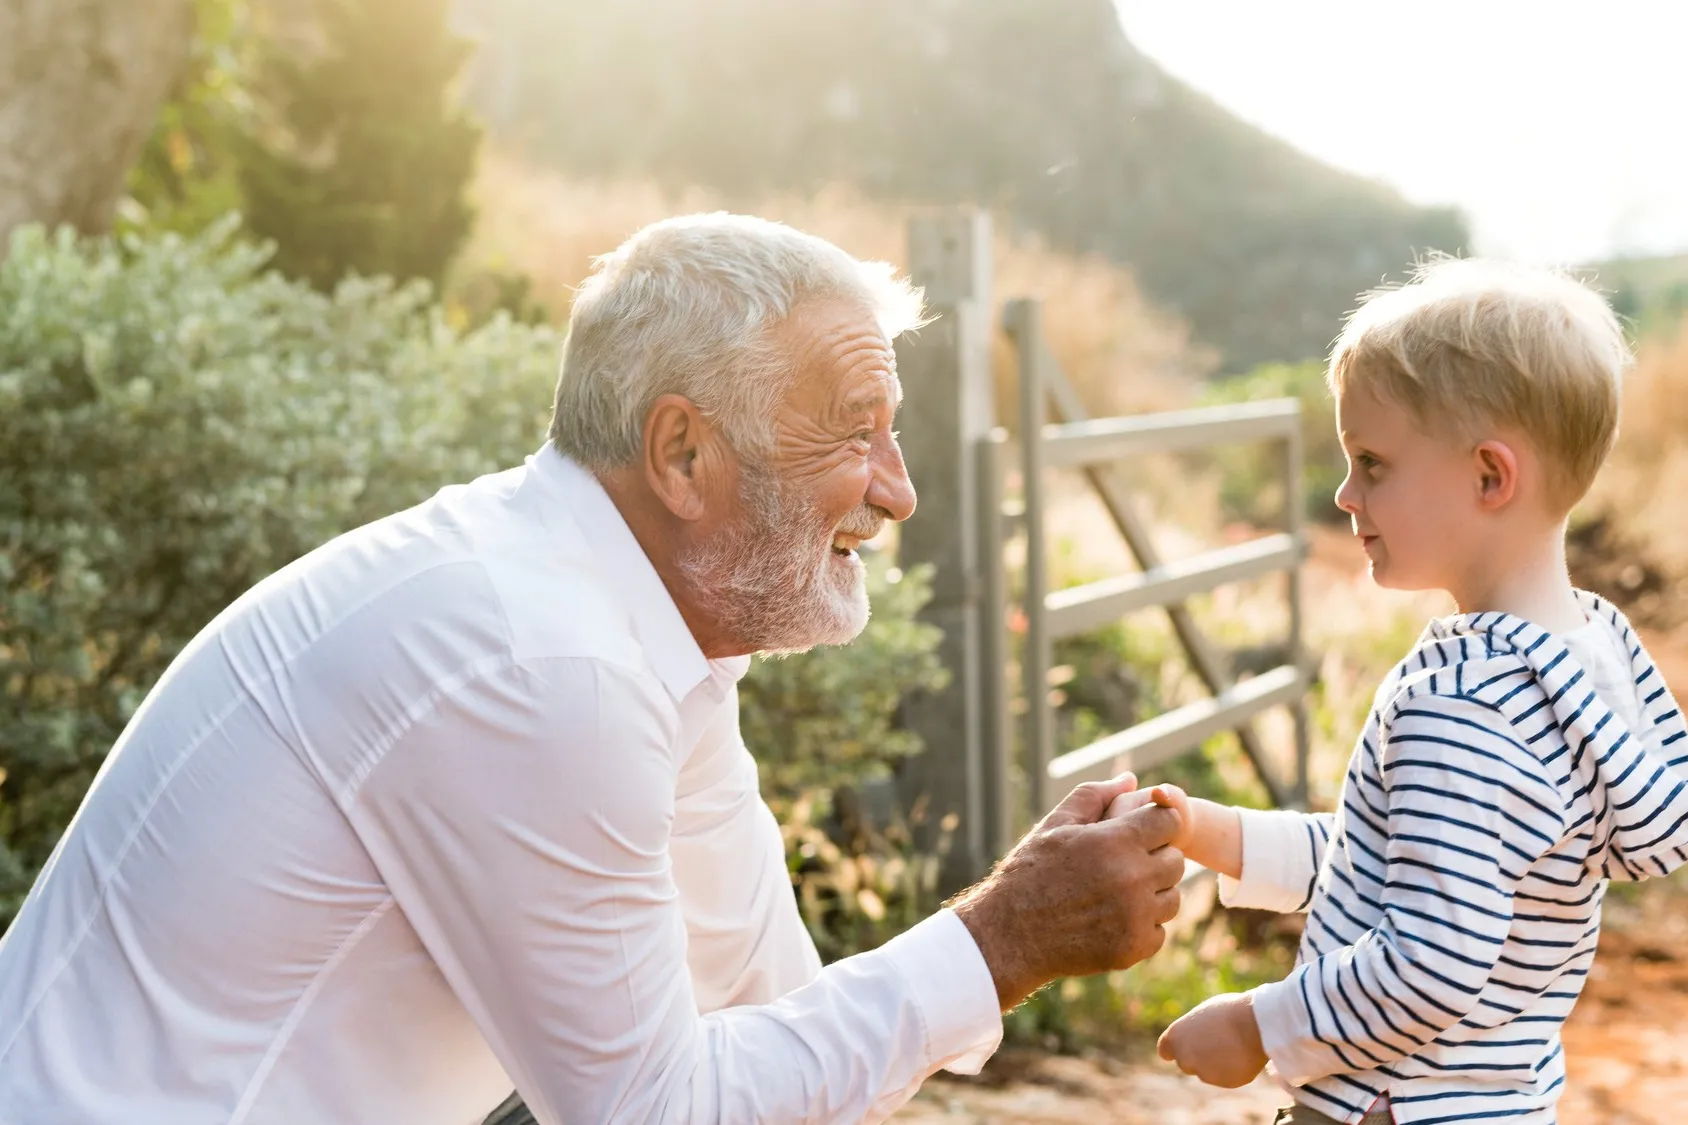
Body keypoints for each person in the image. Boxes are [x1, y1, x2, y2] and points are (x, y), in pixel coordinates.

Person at [0, 213, 1186, 1125]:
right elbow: (653, 1114)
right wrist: (1003, 939)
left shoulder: (632, 635)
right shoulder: (538, 662)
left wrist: (1006, 938)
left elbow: (774, 1025)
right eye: (854, 428)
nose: (896, 487)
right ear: (681, 453)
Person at [1114, 258, 1688, 1124]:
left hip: (1385, 1107)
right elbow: (1404, 862)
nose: (1346, 495)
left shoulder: (1460, 703)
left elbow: (1433, 955)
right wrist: (1217, 834)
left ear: (1491, 477)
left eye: (1373, 463)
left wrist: (1260, 1024)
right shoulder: (1589, 657)